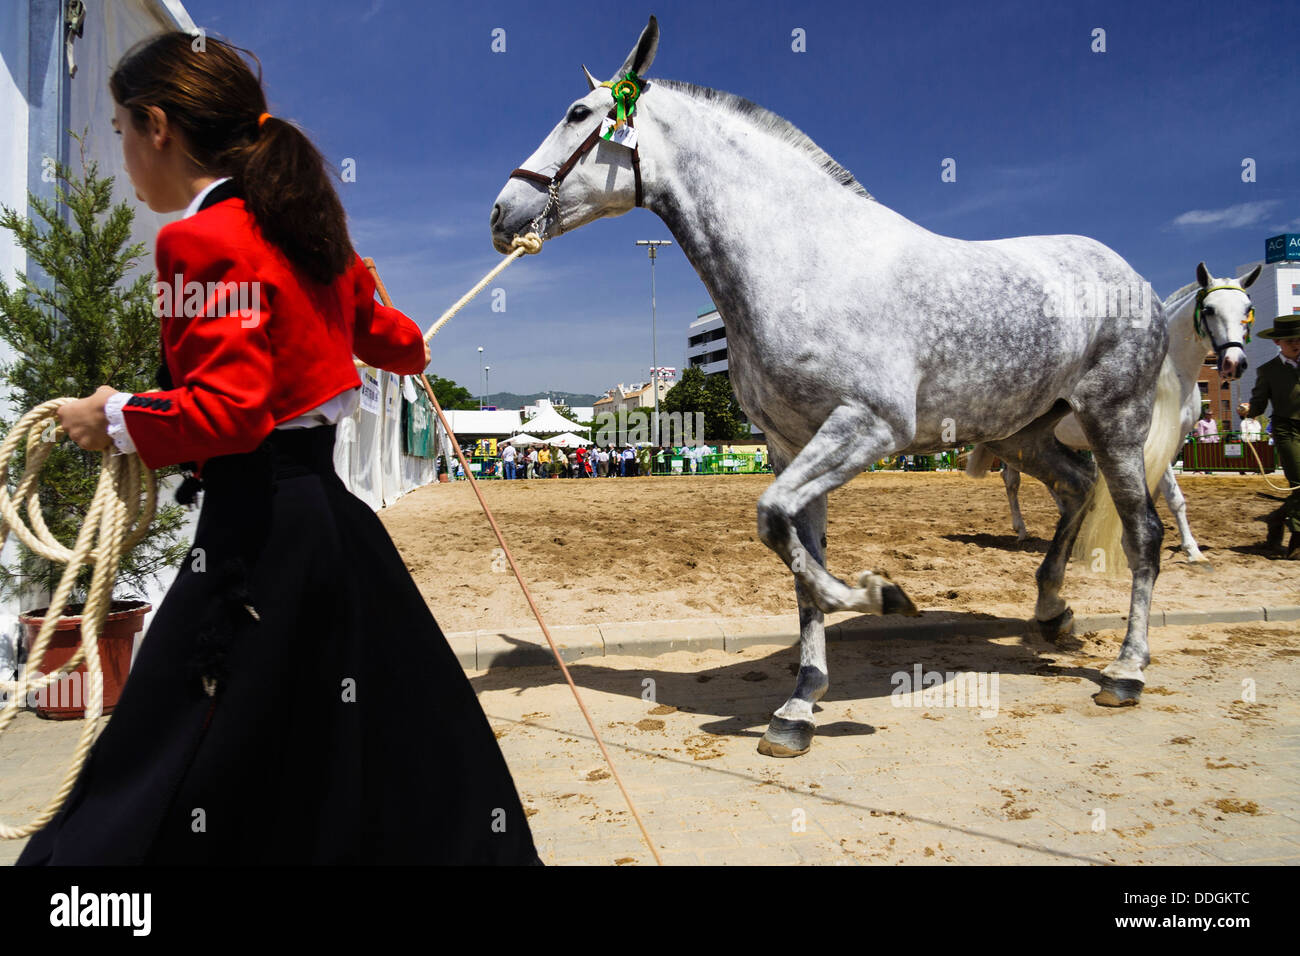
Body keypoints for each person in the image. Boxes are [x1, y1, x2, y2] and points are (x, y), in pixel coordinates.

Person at [23, 32, 539, 865]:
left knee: (173, 742)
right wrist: (385, 315)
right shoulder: (308, 230)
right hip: (333, 526)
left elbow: (229, 414)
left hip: (253, 534)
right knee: (377, 739)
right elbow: (395, 342)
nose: (122, 155)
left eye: (121, 130)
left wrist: (113, 417)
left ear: (158, 126)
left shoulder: (197, 242)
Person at [1238, 315, 1300, 557]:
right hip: (1287, 430)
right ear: (1278, 343)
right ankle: (1297, 541)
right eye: (1290, 340)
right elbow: (1259, 404)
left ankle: (1276, 518)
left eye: (1299, 339)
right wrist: (1248, 410)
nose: (1296, 344)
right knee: (1299, 482)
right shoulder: (1269, 371)